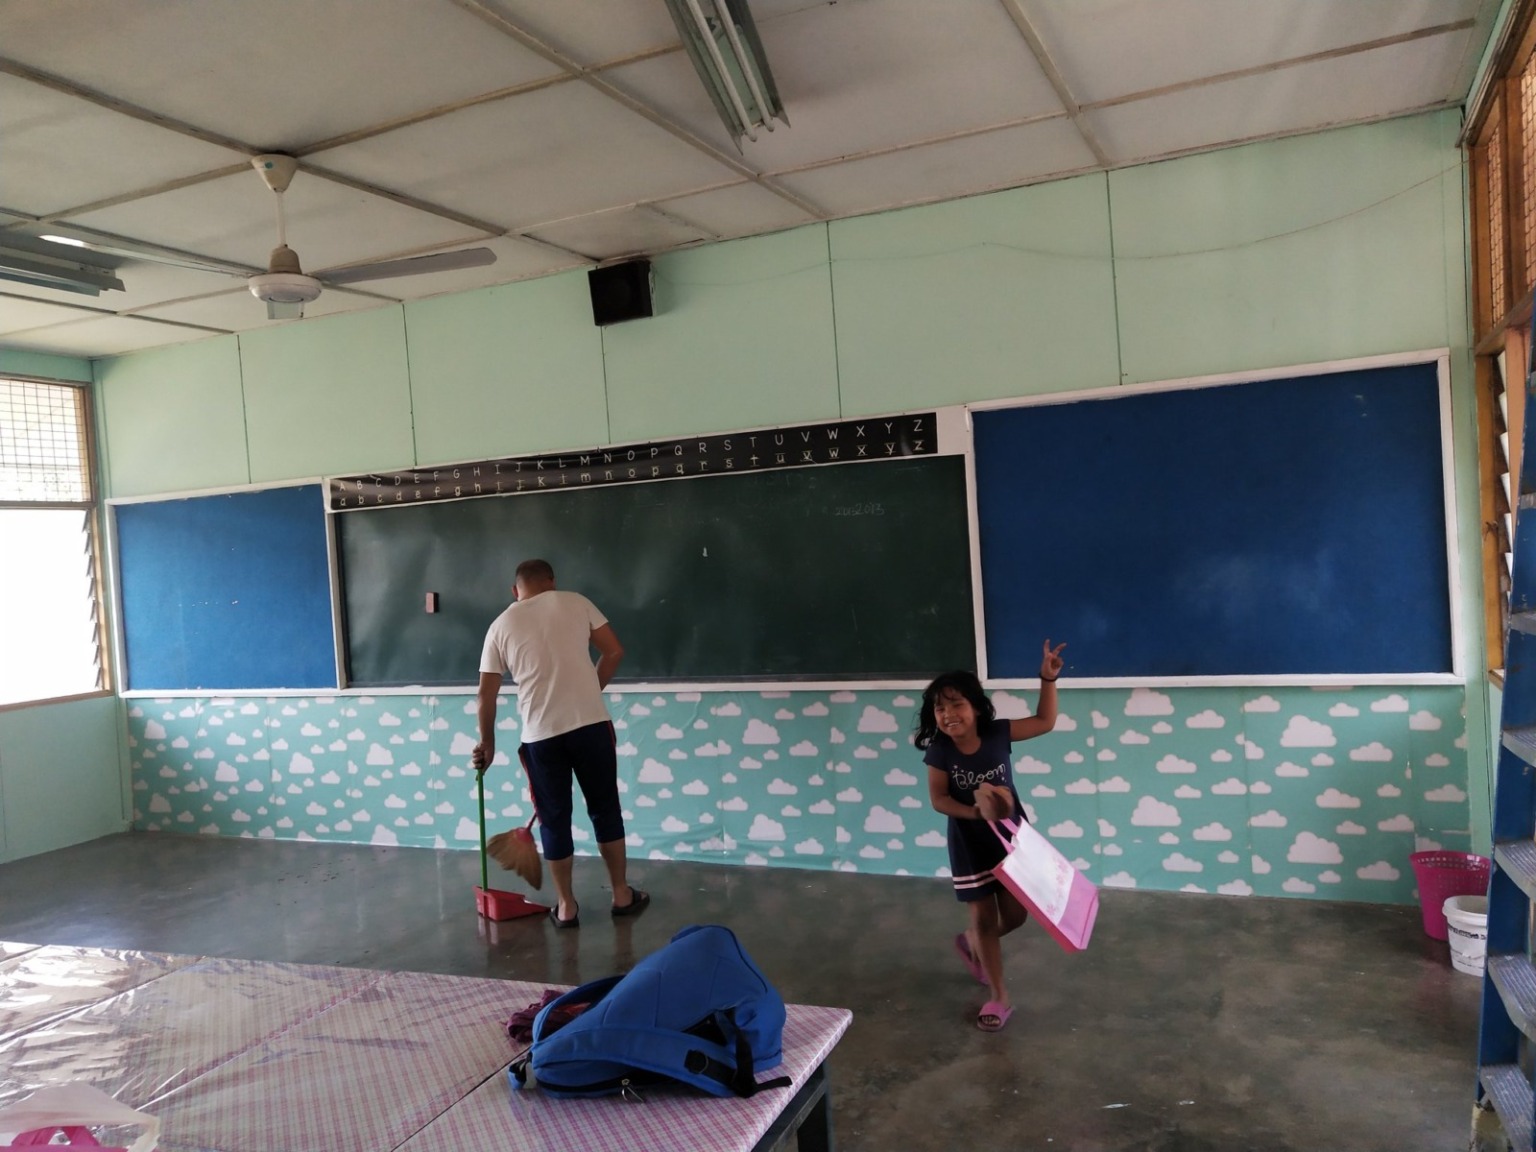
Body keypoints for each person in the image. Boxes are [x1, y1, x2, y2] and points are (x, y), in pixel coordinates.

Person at [472, 558, 648, 929]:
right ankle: (620, 894)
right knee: (605, 808)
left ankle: (566, 907)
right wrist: (590, 692)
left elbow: (485, 695)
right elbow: (614, 651)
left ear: (514, 590)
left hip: (540, 737)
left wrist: (487, 743)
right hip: (590, 727)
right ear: (551, 582)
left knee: (554, 820)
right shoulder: (576, 601)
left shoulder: (500, 625)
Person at [914, 640, 1065, 1032]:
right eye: (940, 708)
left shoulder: (999, 734)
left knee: (1014, 917)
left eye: (957, 704)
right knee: (983, 915)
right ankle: (999, 996)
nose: (948, 714)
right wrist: (975, 813)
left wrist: (1047, 678)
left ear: (976, 707)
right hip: (969, 842)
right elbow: (939, 799)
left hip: (1012, 841)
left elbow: (1046, 722)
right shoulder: (940, 750)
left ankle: (972, 941)